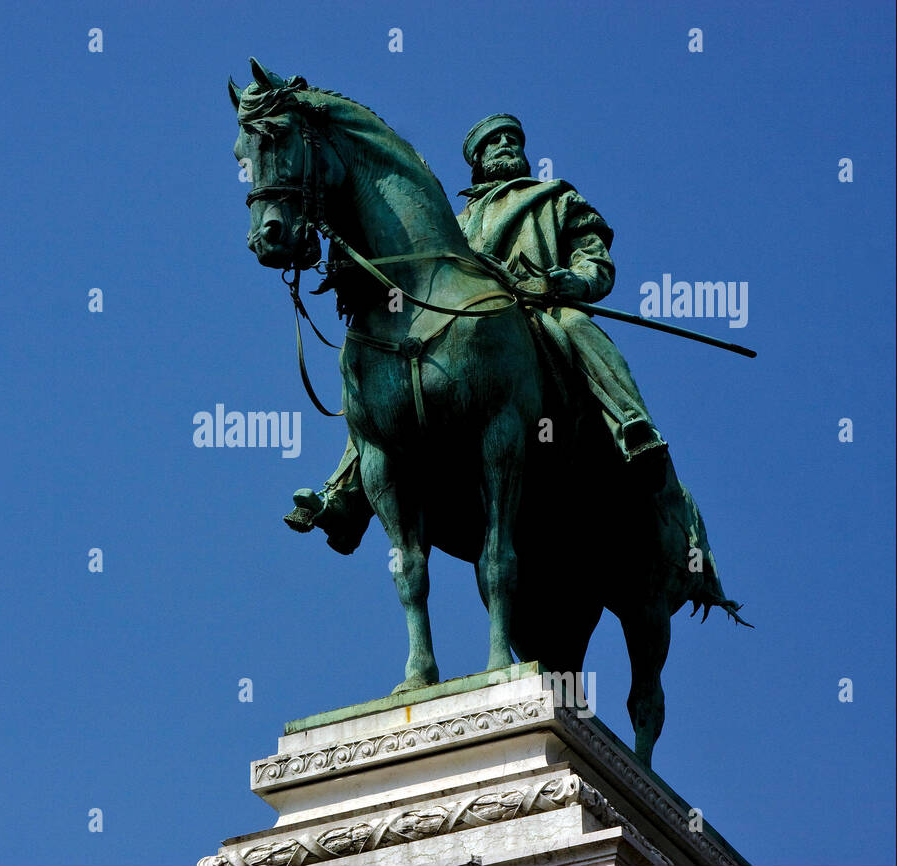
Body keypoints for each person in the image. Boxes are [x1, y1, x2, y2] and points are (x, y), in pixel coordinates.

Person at [286, 113, 668, 554]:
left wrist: (576, 282)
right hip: (471, 322)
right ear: (478, 159)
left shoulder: (555, 197)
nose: (505, 144)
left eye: (512, 138)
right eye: (492, 142)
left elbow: (595, 260)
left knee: (578, 326)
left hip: (541, 304)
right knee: (380, 377)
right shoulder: (455, 221)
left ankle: (631, 426)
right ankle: (348, 491)